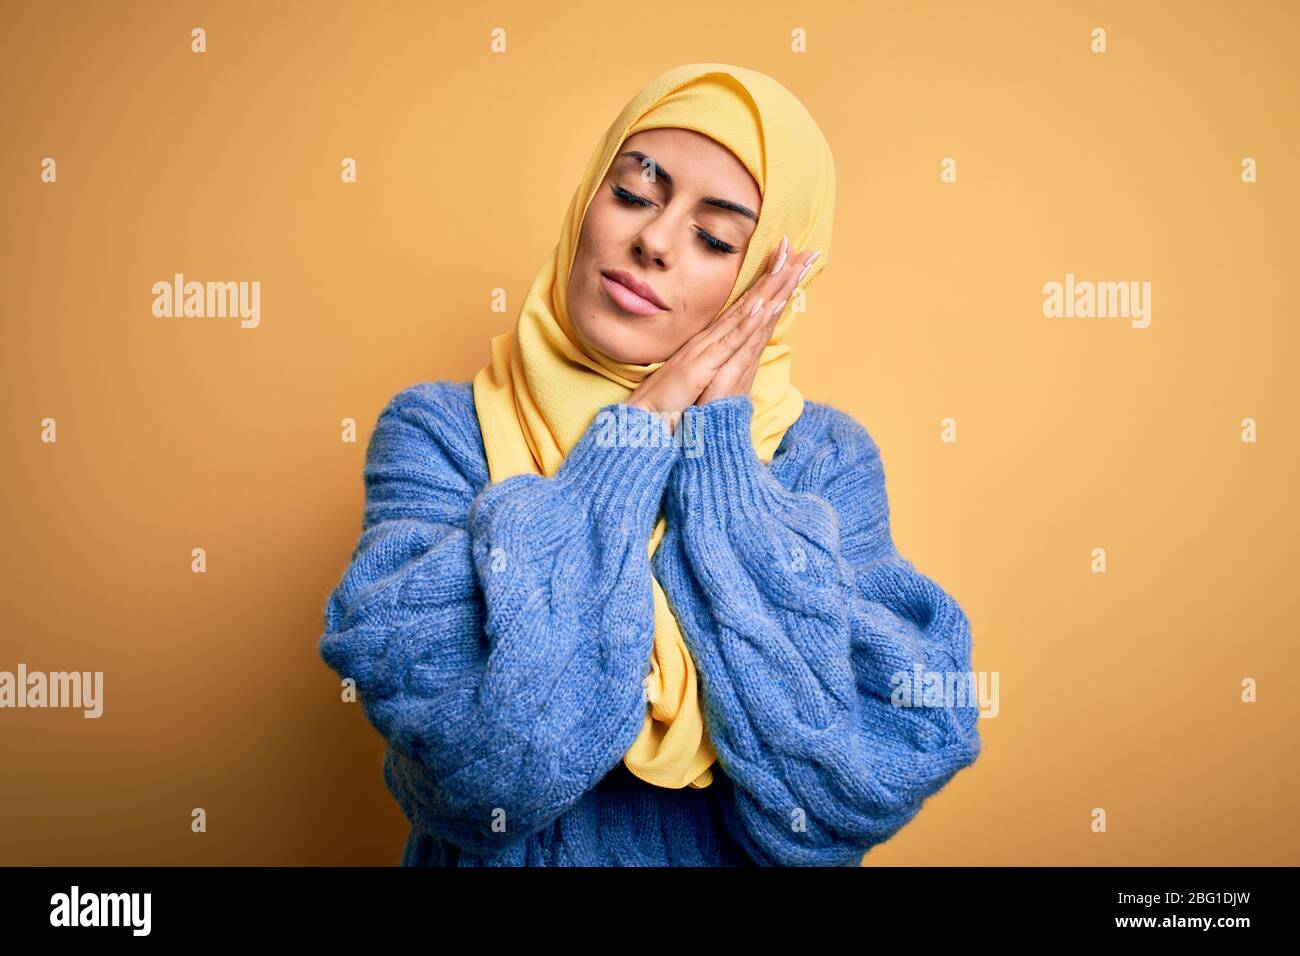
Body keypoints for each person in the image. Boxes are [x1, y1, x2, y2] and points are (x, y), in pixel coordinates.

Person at [317, 62, 981, 867]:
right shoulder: (442, 432)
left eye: (714, 238)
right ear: (588, 199)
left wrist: (721, 462)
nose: (654, 242)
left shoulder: (825, 461)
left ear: (770, 279)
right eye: (633, 193)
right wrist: (631, 440)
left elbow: (839, 798)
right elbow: (487, 776)